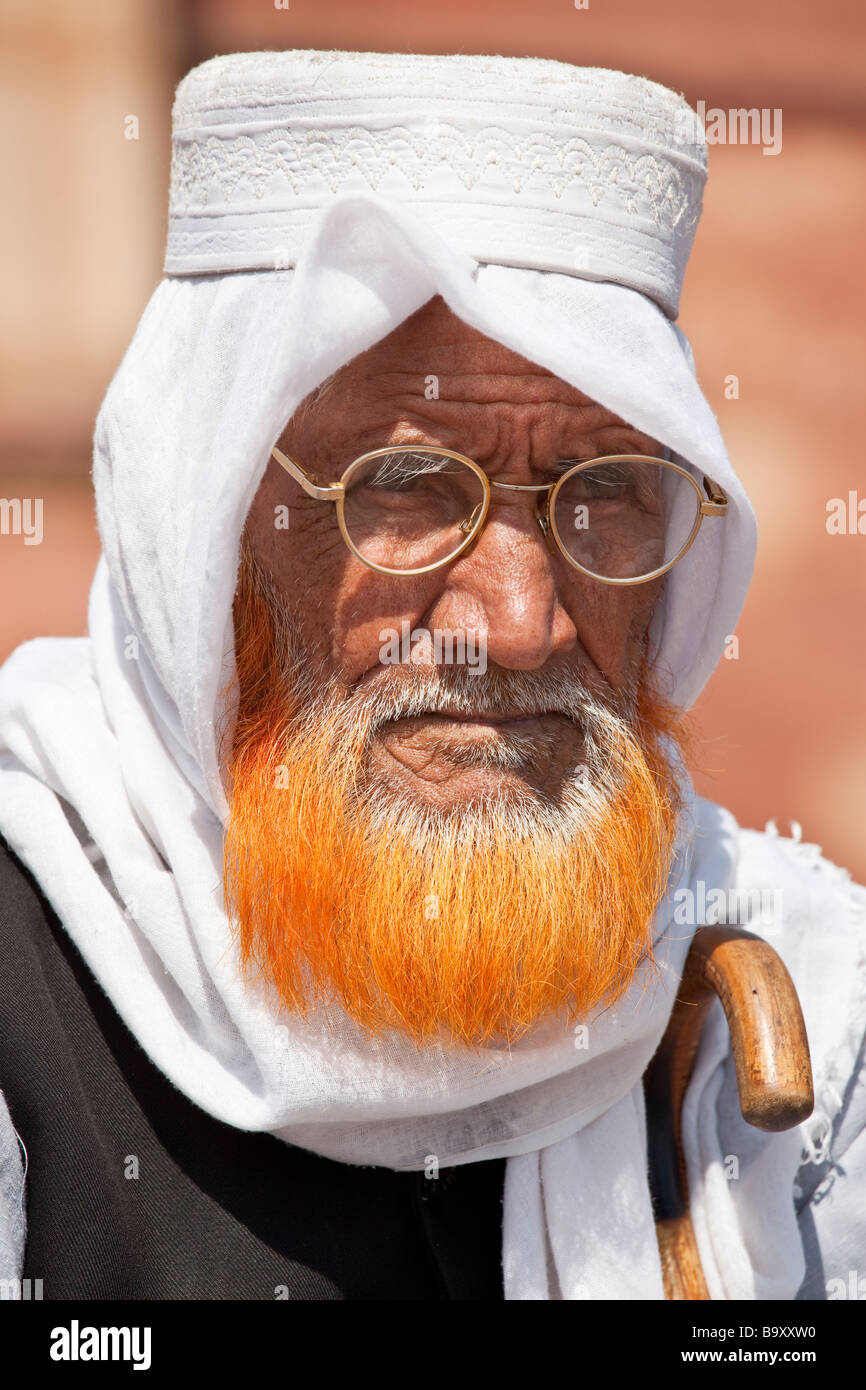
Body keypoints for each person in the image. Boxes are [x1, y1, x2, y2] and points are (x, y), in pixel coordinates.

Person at [0, 48, 863, 1302]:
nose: (518, 625)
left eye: (605, 492)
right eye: (401, 490)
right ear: (205, 533)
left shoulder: (796, 993)